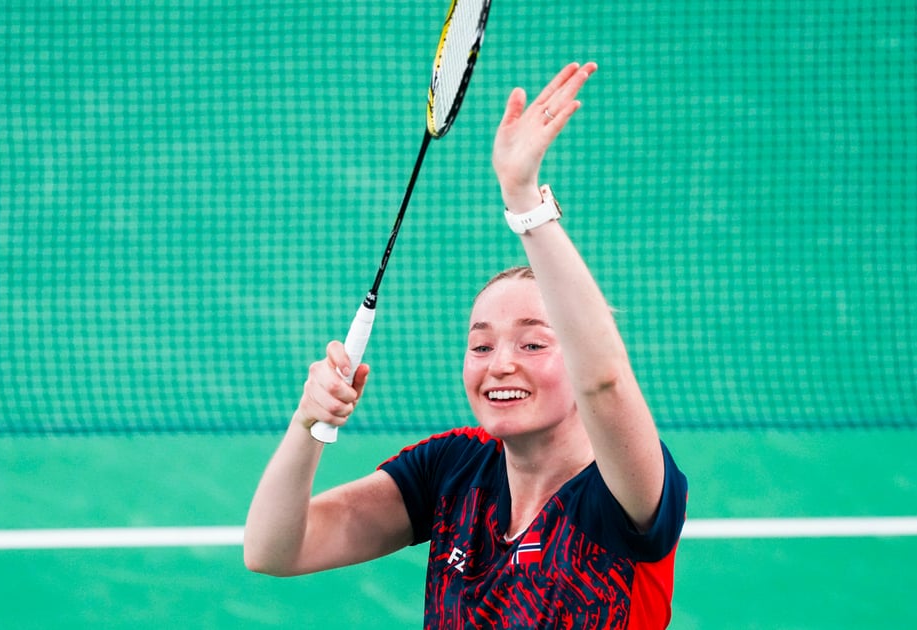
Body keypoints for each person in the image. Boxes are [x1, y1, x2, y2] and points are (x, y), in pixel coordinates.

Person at [244, 61, 688, 629]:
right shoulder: (454, 471)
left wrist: (524, 201)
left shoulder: (624, 491)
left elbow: (604, 380)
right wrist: (309, 421)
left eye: (533, 344)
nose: (500, 364)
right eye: (481, 347)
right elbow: (274, 549)